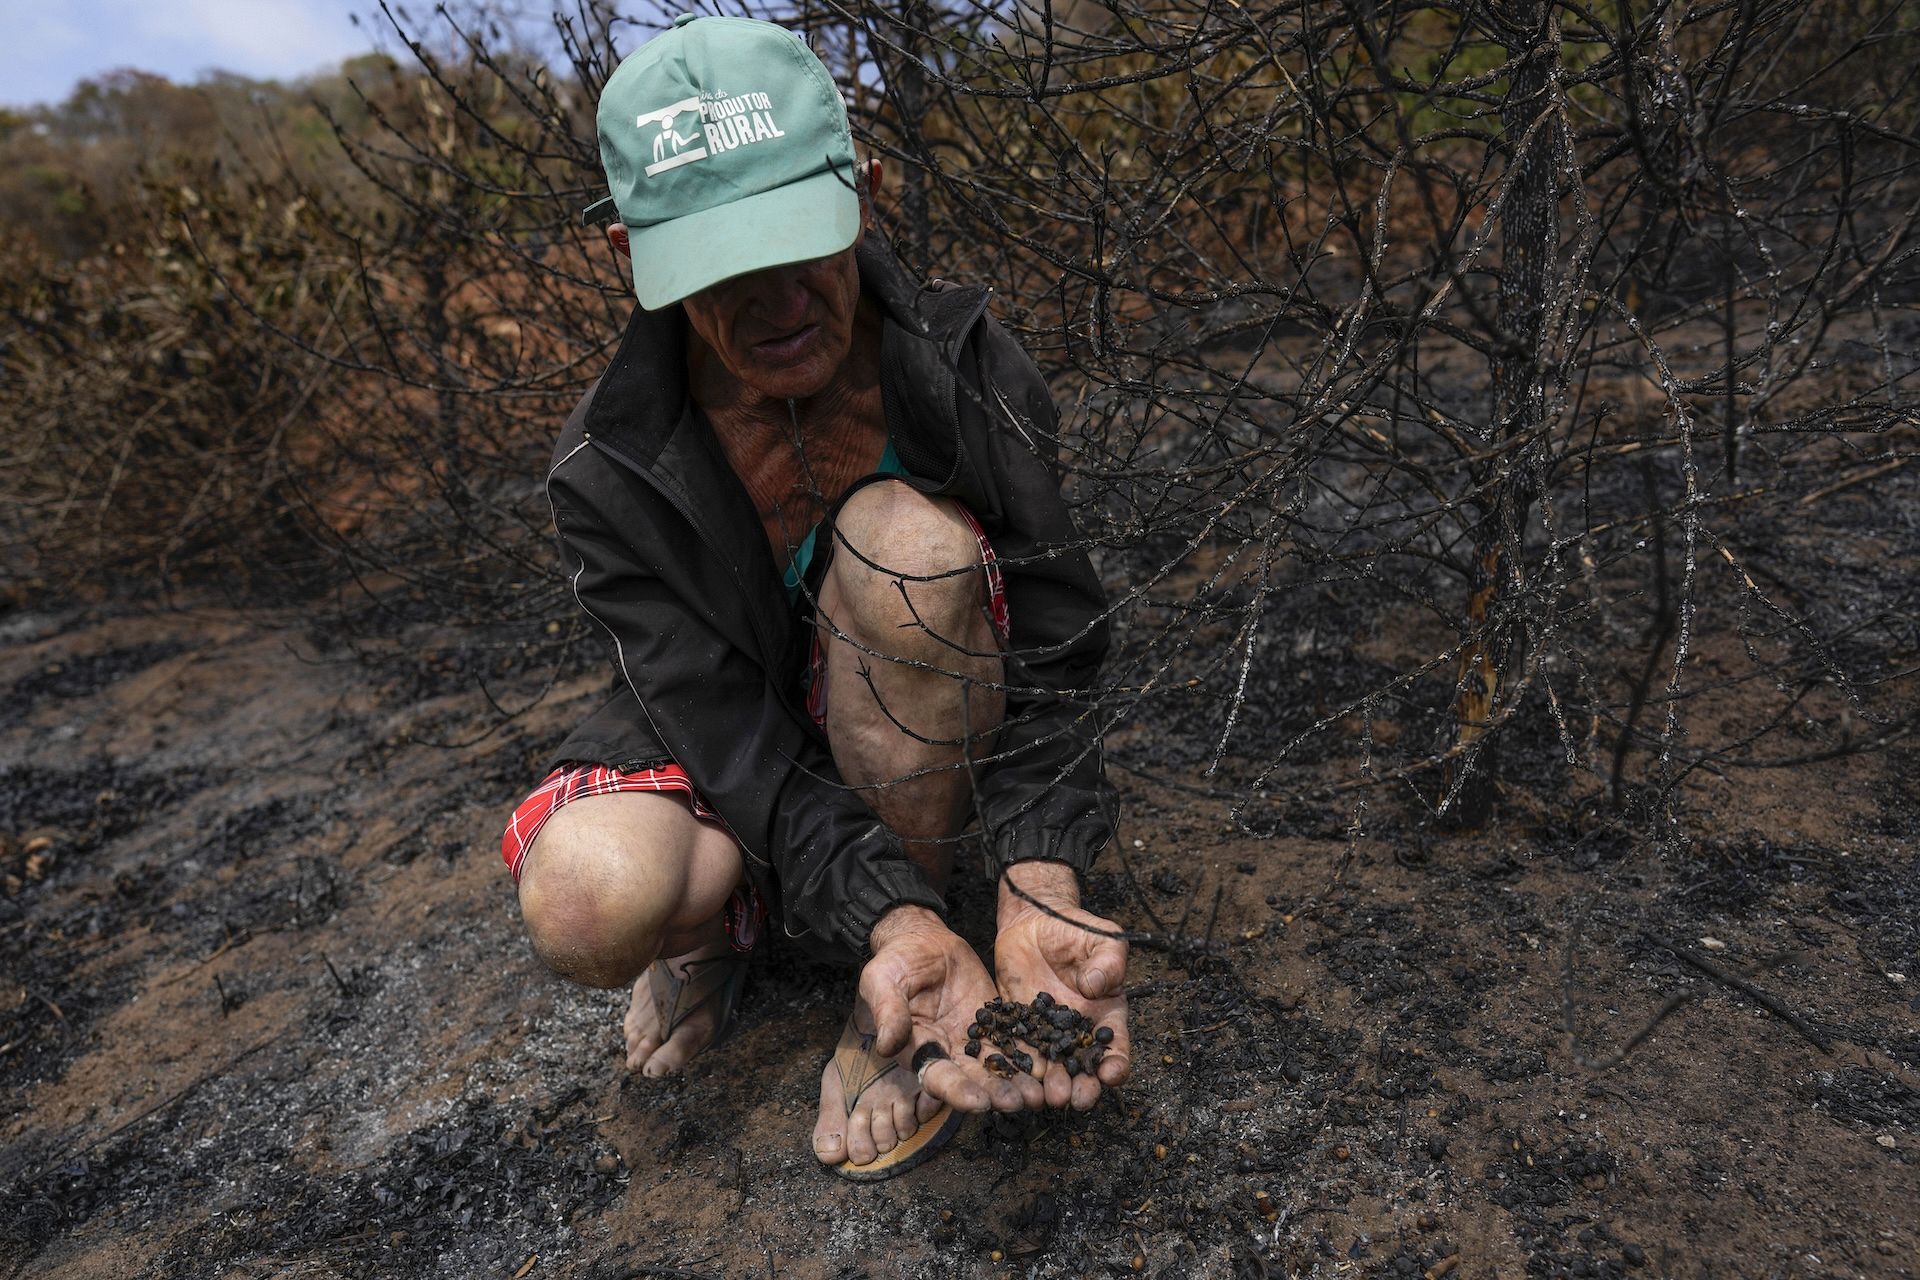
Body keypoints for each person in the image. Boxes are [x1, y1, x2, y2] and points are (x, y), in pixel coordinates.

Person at [500, 13, 1129, 1179]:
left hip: (916, 696)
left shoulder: (961, 360)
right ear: (637, 260)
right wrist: (876, 911)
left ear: (865, 190)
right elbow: (721, 729)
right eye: (720, 270)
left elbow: (1057, 638)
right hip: (736, 719)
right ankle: (746, 930)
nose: (776, 302)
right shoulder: (608, 464)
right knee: (589, 899)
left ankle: (899, 969)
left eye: (799, 246)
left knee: (903, 545)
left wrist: (1041, 869)